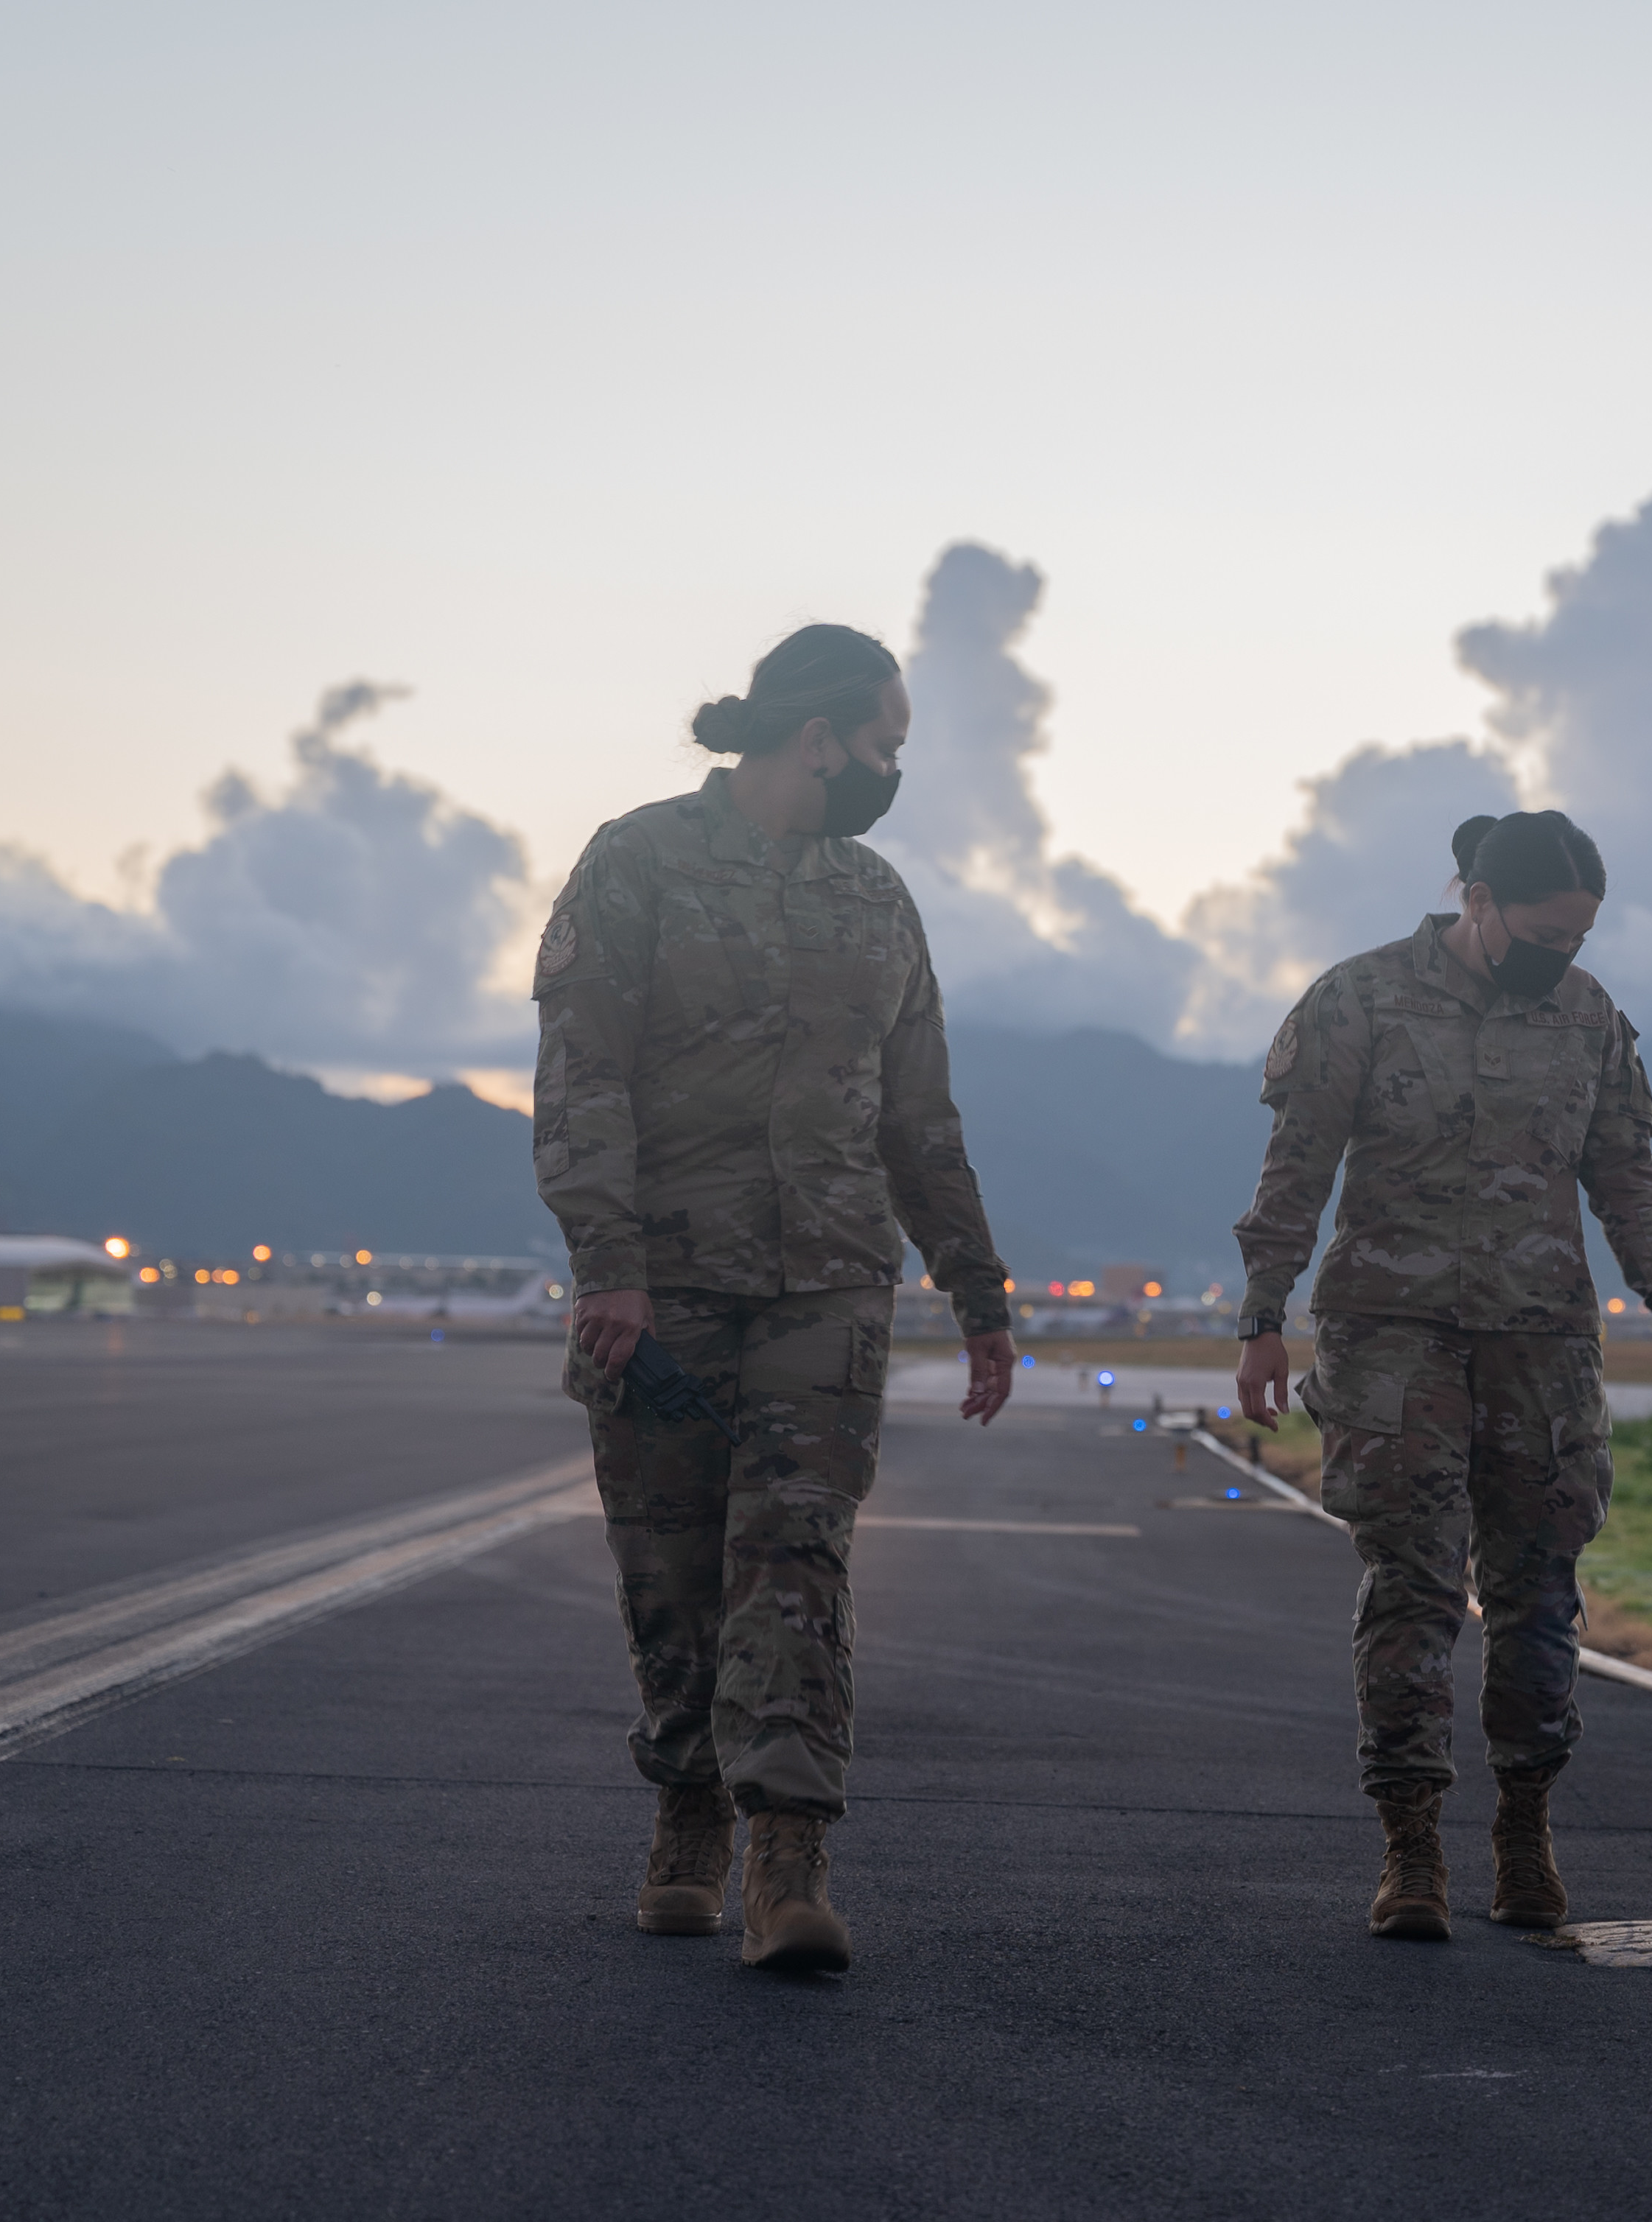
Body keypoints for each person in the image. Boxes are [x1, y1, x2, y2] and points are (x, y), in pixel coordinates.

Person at [533, 622, 1018, 1974]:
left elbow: (922, 1118)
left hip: (829, 1289)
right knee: (673, 1570)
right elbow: (581, 1081)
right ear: (820, 740)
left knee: (795, 1562)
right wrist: (610, 1265)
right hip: (667, 1288)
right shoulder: (634, 864)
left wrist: (978, 1290)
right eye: (886, 745)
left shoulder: (879, 902)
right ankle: (689, 1817)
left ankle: (789, 1861)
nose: (891, 770)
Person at [1233, 809, 1652, 1941]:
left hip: (1540, 1338)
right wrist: (1263, 1317)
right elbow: (1295, 1168)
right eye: (1545, 932)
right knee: (1414, 1584)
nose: (1563, 955)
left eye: (1581, 938)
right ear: (1477, 902)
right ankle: (1409, 1850)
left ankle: (1525, 1832)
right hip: (1390, 1336)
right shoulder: (1358, 1000)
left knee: (1541, 1589)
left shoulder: (1587, 1018)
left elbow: (1626, 1171)